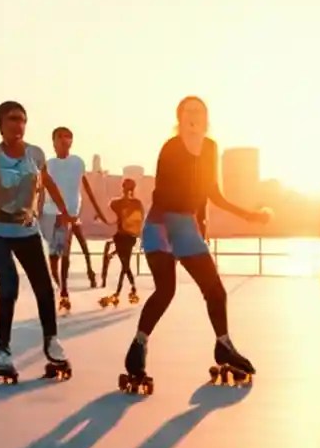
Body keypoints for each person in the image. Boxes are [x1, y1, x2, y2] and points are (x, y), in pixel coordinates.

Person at [122, 96, 270, 394]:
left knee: (215, 290)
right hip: (161, 224)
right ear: (179, 117)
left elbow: (212, 192)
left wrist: (246, 215)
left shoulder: (211, 148)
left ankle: (224, 345)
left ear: (206, 118)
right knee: (166, 290)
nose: (194, 116)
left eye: (199, 111)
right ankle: (138, 346)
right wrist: (178, 227)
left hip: (186, 225)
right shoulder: (171, 147)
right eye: (188, 111)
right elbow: (164, 191)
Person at [0, 101, 73, 380]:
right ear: (0, 125)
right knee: (9, 287)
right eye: (12, 119)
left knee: (45, 288)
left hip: (27, 231)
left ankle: (51, 341)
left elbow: (48, 183)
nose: (18, 125)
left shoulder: (36, 154)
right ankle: (3, 351)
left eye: (22, 119)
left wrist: (65, 213)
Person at [38, 127, 107, 310]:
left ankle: (68, 288)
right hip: (55, 216)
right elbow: (41, 190)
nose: (64, 140)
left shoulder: (77, 162)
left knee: (77, 249)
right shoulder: (48, 165)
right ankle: (60, 288)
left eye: (67, 137)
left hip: (73, 216)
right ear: (53, 142)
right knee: (56, 256)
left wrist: (98, 210)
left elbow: (86, 186)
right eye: (60, 137)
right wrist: (37, 213)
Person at [99, 177, 144, 306]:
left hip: (123, 237)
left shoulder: (117, 203)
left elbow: (109, 217)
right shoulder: (136, 203)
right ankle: (131, 288)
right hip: (127, 237)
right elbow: (139, 221)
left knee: (125, 264)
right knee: (125, 264)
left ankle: (119, 293)